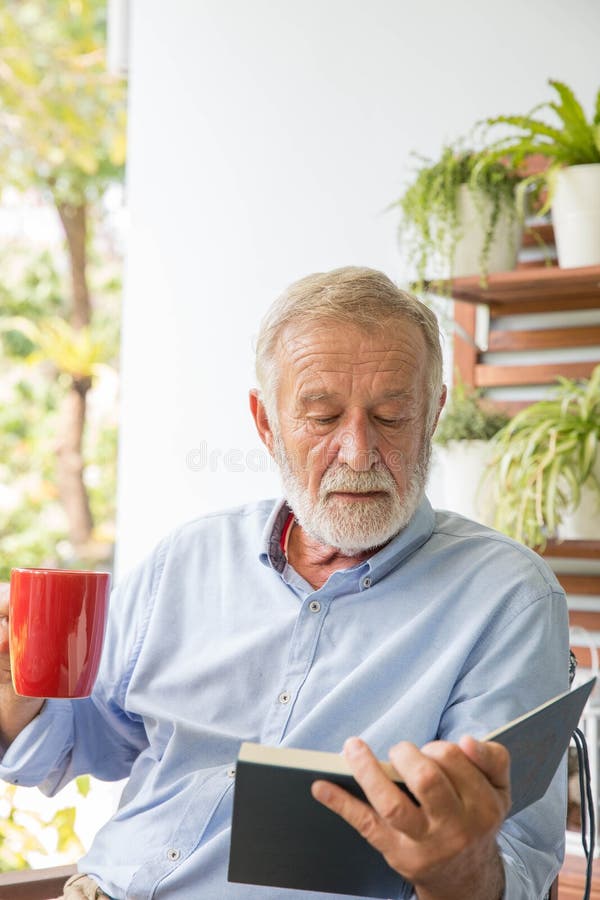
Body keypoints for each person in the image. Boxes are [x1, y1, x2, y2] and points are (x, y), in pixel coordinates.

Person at [0, 266, 569, 900]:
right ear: (266, 423)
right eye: (323, 417)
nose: (357, 452)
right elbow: (87, 740)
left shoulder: (509, 597)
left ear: (432, 414)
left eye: (391, 415)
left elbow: (520, 866)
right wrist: (16, 702)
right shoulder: (186, 559)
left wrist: (455, 868)